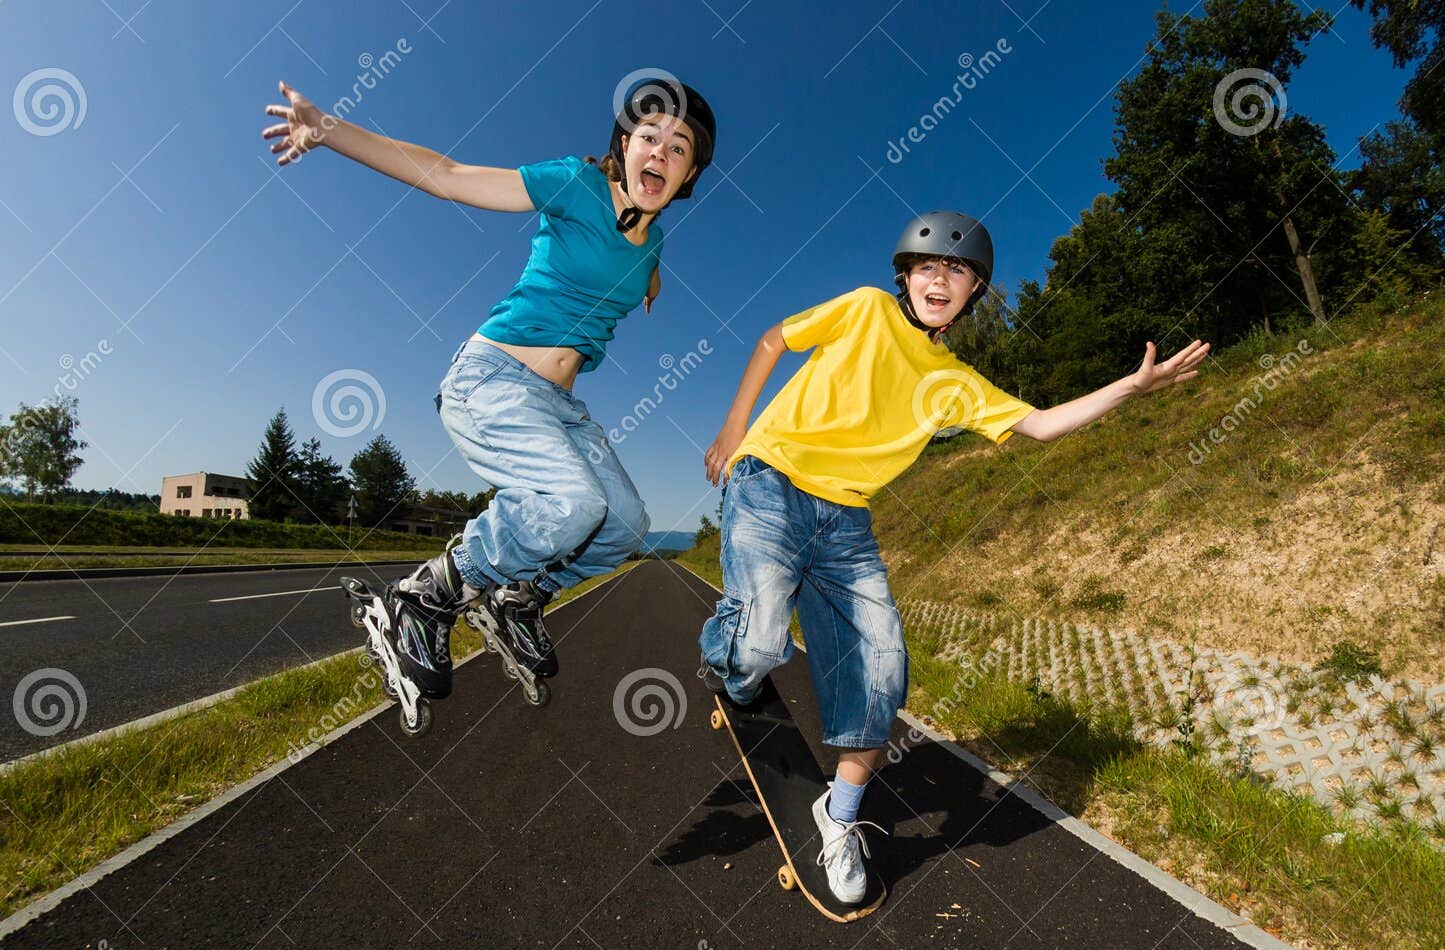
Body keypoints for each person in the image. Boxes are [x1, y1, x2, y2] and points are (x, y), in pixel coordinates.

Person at [698, 211, 1209, 902]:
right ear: (904, 277)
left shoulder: (959, 382)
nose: (942, 278)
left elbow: (1040, 424)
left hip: (845, 519)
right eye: (928, 266)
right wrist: (734, 427)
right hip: (769, 480)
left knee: (883, 671)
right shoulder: (865, 308)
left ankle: (838, 817)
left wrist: (1130, 387)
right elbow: (772, 339)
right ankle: (725, 657)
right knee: (757, 646)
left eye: (959, 271)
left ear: (973, 293)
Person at [263, 74, 716, 707]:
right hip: (493, 379)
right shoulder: (574, 185)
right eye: (649, 139)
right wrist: (328, 130)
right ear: (624, 146)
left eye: (678, 149)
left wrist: (650, 283)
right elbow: (449, 174)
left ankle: (517, 598)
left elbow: (642, 260)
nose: (659, 155)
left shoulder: (654, 241)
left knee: (625, 523)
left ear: (689, 177)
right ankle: (424, 599)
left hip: (560, 408)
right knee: (573, 503)